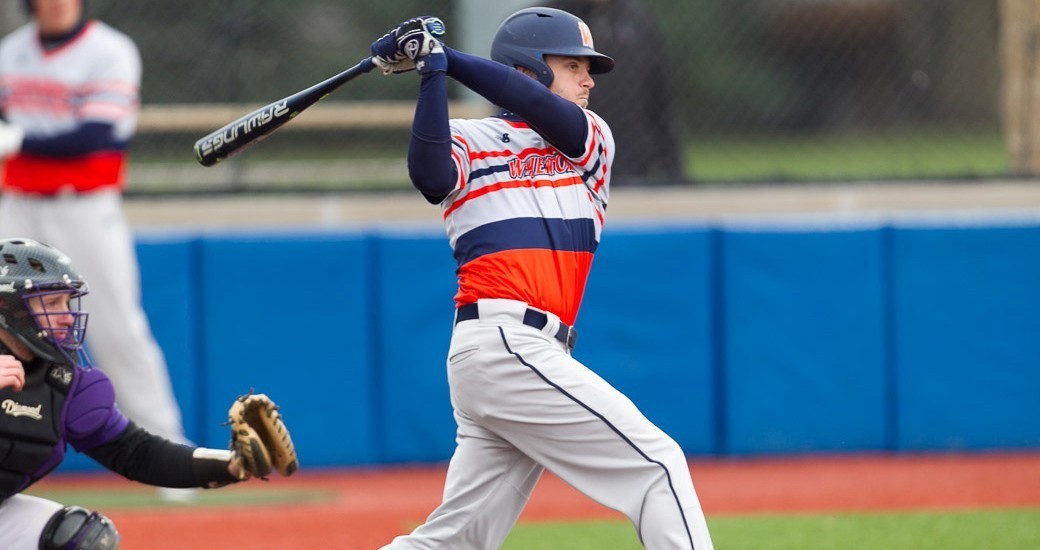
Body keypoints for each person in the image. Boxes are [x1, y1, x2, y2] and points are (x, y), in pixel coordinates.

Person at [370, 8, 713, 549]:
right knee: (657, 465)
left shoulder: (591, 140)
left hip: (525, 352)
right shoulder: (470, 138)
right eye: (573, 65)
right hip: (503, 342)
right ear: (526, 67)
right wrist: (432, 72)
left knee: (454, 540)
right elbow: (430, 176)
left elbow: (538, 106)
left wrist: (444, 56)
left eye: (588, 68)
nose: (588, 80)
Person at [0, 0, 191, 476]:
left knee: (115, 330)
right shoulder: (11, 52)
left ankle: (170, 460)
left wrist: (18, 140)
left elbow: (97, 136)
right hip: (17, 205)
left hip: (83, 207)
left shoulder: (109, 50)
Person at [0, 238, 253, 549]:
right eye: (51, 303)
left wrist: (231, 464)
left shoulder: (62, 382)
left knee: (82, 537)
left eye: (66, 302)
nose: (66, 316)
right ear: (5, 306)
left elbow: (135, 452)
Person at [545, 0, 687, 185]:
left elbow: (660, 96)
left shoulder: (637, 18)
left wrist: (672, 165)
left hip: (632, 155)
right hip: (563, 155)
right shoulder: (546, 17)